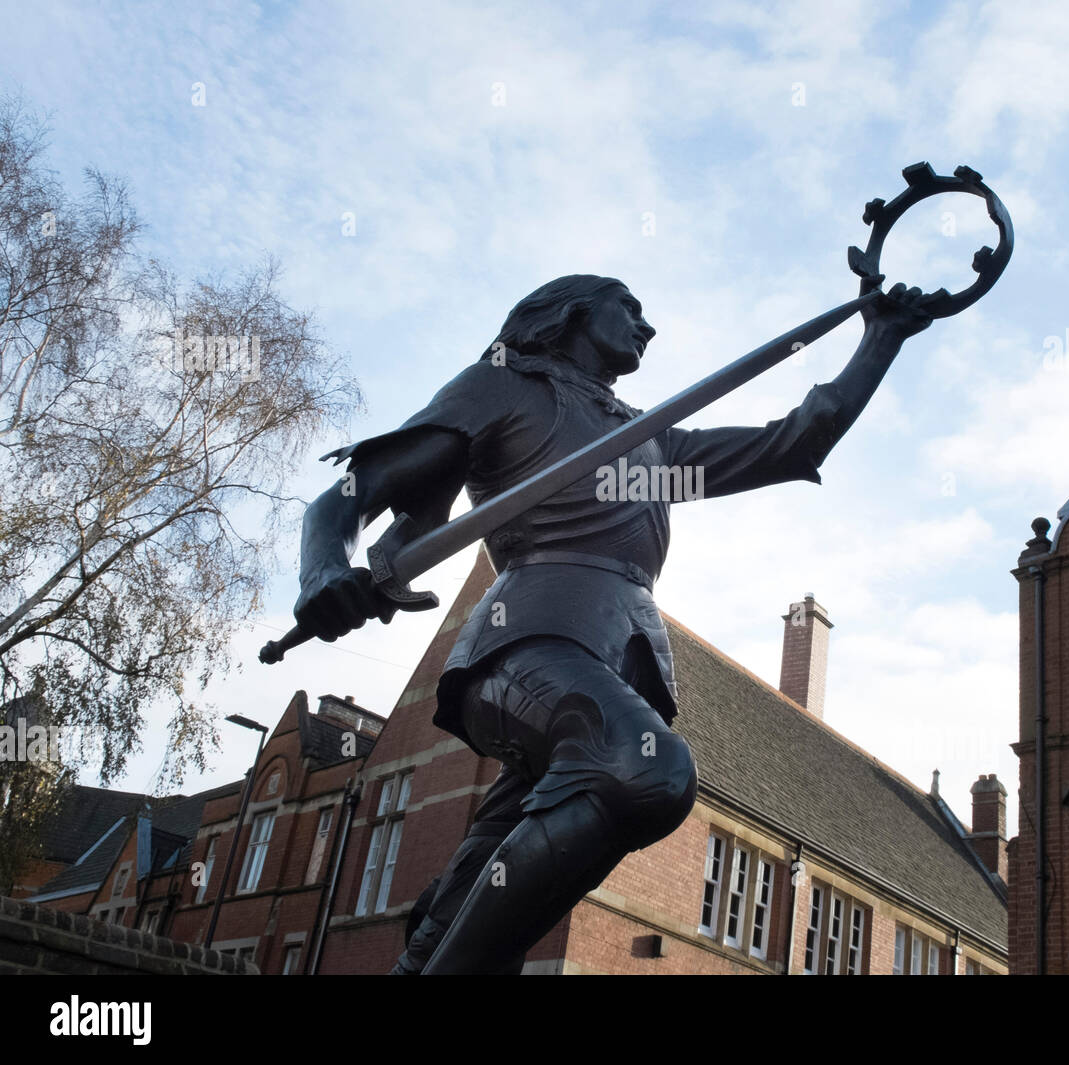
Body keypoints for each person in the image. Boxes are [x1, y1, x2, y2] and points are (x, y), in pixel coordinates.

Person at [293, 274, 933, 974]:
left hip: (619, 655)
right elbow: (348, 495)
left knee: (487, 879)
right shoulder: (505, 386)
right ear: (568, 310)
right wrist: (324, 573)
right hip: (524, 641)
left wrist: (882, 338)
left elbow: (791, 443)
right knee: (644, 769)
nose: (646, 327)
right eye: (628, 307)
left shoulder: (649, 447)